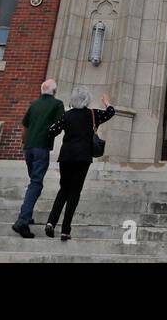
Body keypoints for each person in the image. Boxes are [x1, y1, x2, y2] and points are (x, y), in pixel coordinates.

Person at [44, 86, 115, 241]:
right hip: (83, 157)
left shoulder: (66, 115)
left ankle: (51, 222)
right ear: (87, 100)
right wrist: (106, 102)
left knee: (64, 189)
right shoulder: (93, 114)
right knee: (75, 192)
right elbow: (110, 112)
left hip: (66, 156)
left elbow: (52, 131)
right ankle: (65, 230)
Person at [12, 79, 64, 238]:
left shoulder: (34, 104)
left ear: (42, 90)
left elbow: (25, 126)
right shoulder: (57, 104)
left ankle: (26, 215)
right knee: (36, 183)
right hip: (41, 148)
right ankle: (22, 221)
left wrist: (25, 143)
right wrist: (50, 135)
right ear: (54, 91)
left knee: (34, 182)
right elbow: (60, 124)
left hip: (28, 148)